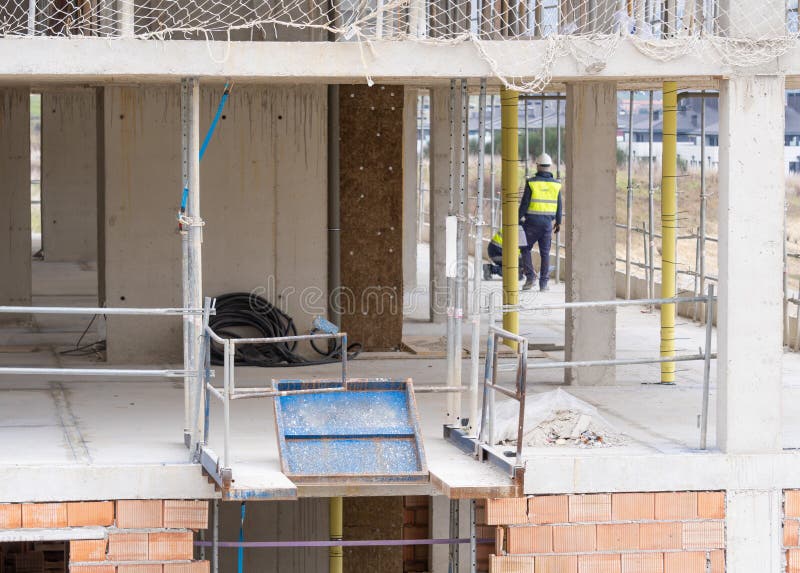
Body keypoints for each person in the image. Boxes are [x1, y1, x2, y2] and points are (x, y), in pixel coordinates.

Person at [518, 153, 562, 291]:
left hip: (531, 223)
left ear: (537, 165)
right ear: (549, 167)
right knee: (545, 253)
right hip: (547, 225)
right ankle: (544, 284)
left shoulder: (531, 182)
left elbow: (525, 203)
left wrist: (517, 219)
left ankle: (530, 277)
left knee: (525, 248)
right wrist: (558, 222)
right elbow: (559, 205)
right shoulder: (556, 184)